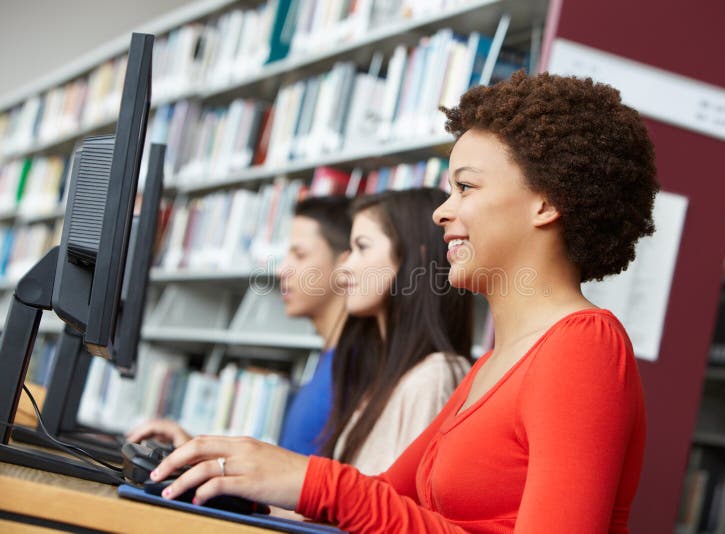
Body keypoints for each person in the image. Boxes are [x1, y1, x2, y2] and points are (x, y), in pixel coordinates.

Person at [150, 72, 657, 533]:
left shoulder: (583, 346)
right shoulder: (491, 366)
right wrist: (238, 477)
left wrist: (314, 481)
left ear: (546, 202)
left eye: (465, 188)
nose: (441, 212)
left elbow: (357, 499)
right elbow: (387, 495)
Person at [127, 195, 352, 456]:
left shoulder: (351, 373)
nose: (281, 270)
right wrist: (199, 452)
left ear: (343, 265)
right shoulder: (330, 363)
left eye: (299, 255)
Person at [322, 188, 473, 475]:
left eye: (362, 247)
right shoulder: (382, 377)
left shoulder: (434, 378)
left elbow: (403, 510)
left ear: (415, 257)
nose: (346, 268)